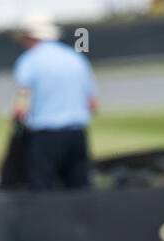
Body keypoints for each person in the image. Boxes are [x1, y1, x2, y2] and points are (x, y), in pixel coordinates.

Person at [11, 14, 98, 190]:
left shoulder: (30, 61)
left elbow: (22, 103)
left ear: (30, 37)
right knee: (80, 188)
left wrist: (18, 116)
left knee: (43, 190)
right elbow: (93, 104)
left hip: (46, 136)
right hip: (77, 134)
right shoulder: (75, 58)